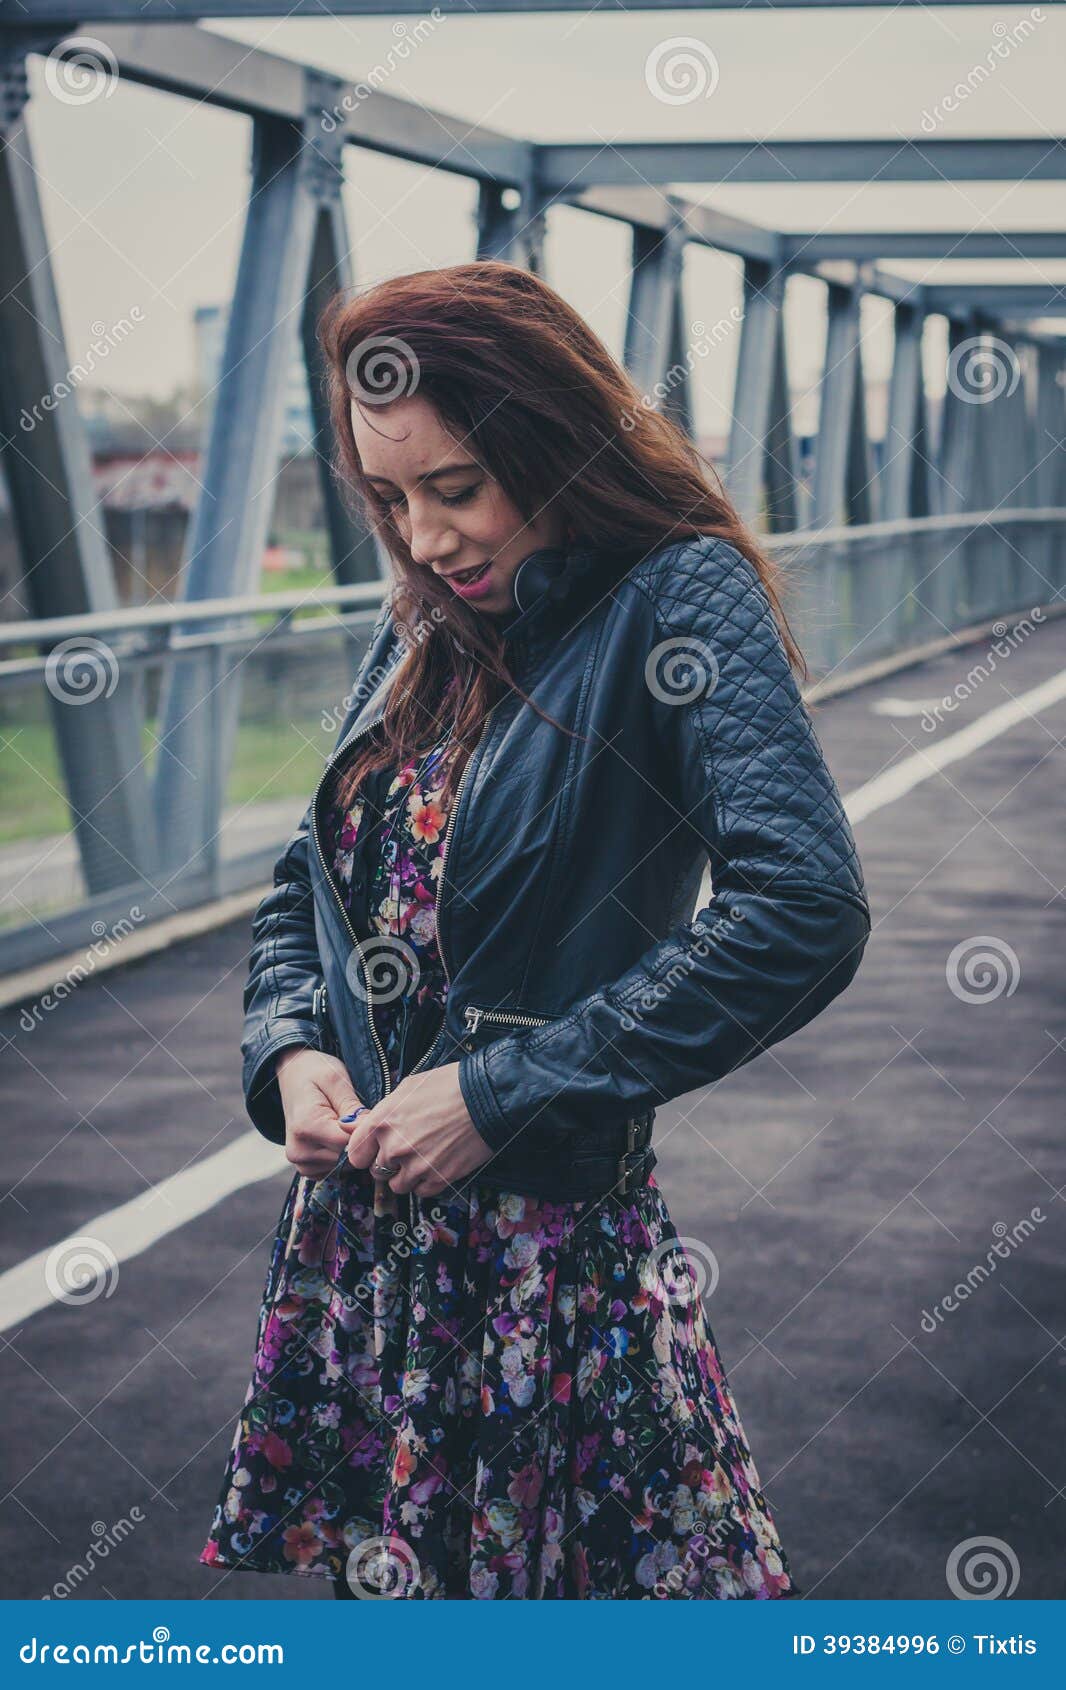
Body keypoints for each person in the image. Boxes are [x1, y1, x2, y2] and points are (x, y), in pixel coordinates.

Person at [198, 260, 870, 1600]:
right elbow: (305, 883)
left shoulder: (678, 597)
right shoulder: (421, 627)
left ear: (551, 441)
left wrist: (502, 1090)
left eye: (455, 487)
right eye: (390, 500)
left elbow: (801, 905)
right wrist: (289, 1054)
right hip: (373, 1257)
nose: (428, 535)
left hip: (543, 1257)